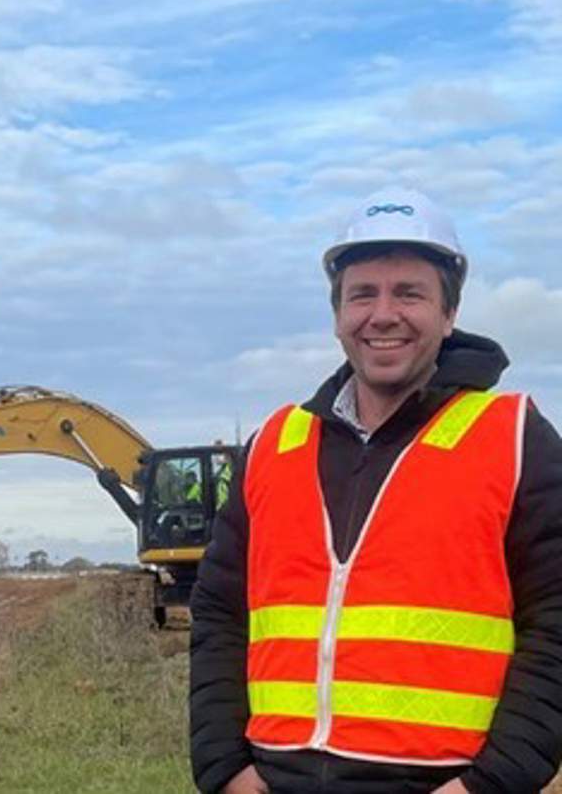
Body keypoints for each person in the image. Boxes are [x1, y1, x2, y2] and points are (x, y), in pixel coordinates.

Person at [190, 188, 562, 794]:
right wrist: (224, 767)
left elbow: (555, 622)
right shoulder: (275, 445)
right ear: (338, 314)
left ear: (449, 314)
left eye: (409, 293)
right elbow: (219, 613)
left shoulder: (514, 437)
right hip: (276, 779)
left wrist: (493, 783)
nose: (383, 314)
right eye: (362, 294)